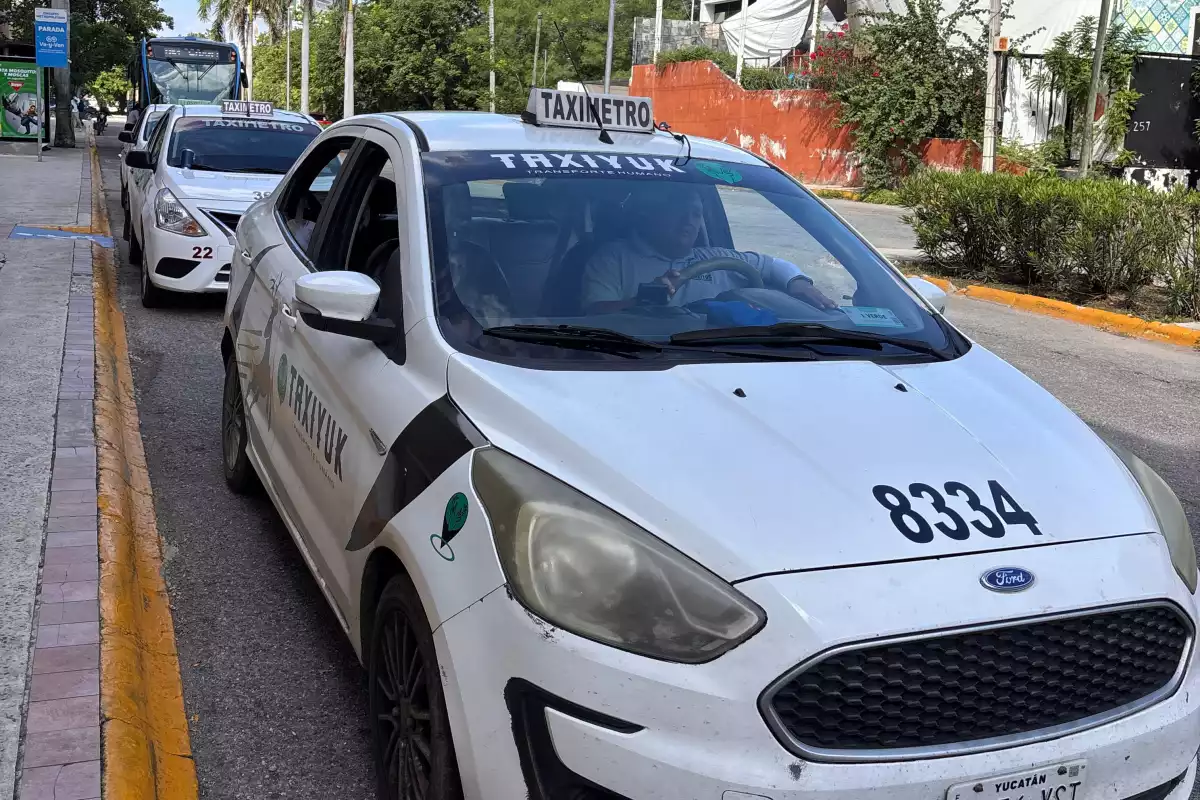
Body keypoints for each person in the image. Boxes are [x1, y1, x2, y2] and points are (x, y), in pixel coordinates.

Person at [583, 183, 837, 315]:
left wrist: (799, 283)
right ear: (649, 214)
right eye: (678, 211)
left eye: (695, 214)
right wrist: (644, 300)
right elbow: (593, 314)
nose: (689, 221)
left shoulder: (718, 258)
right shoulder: (613, 258)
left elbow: (773, 265)